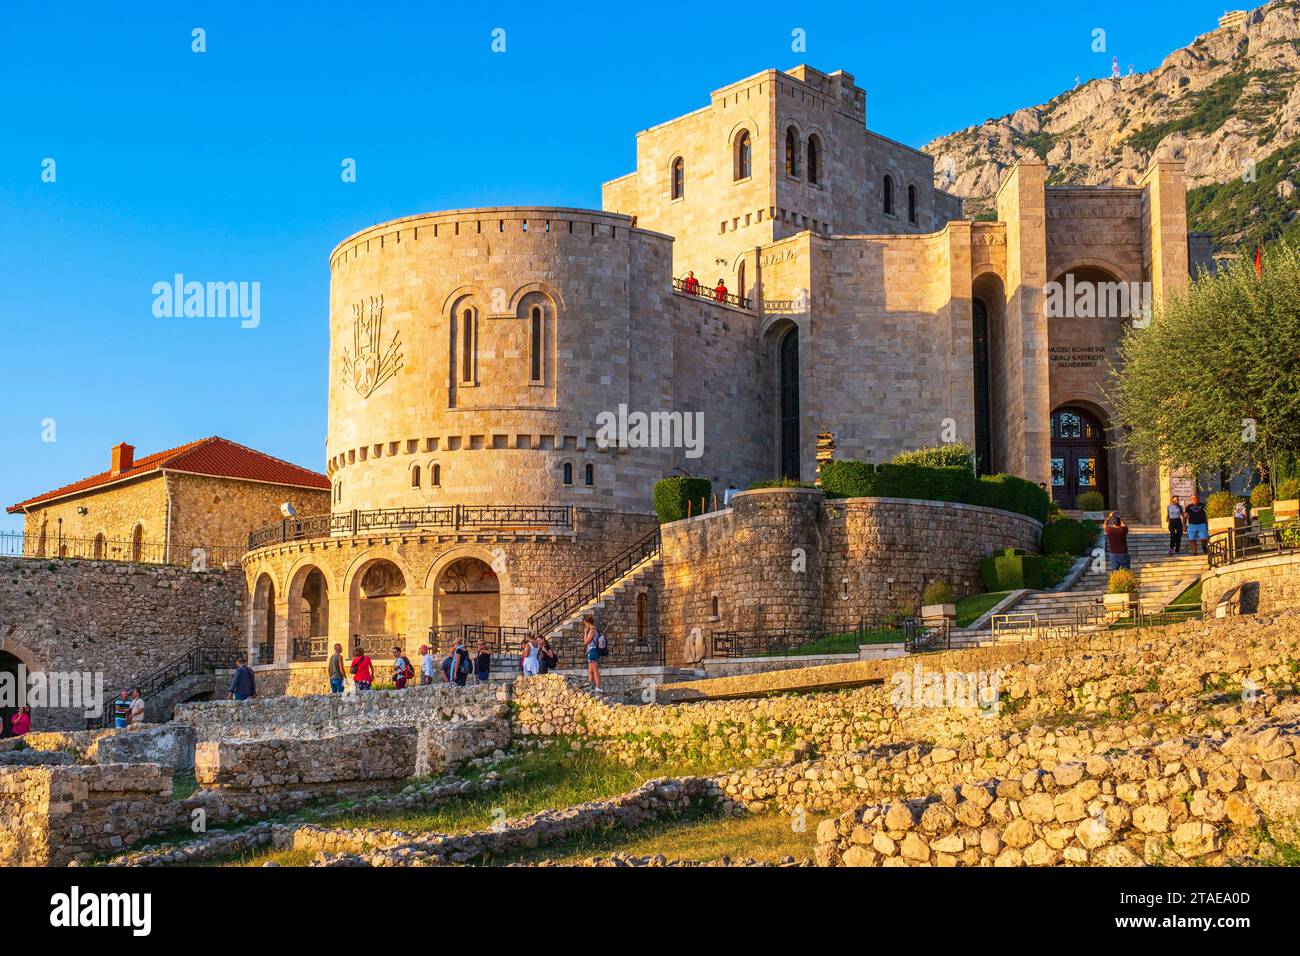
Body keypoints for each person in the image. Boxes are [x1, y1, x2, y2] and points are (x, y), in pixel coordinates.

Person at [582, 615, 603, 694]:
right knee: (590, 671)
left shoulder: (592, 630)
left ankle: (599, 687)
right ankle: (590, 685)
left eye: (585, 623)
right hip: (592, 651)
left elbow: (585, 642)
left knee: (594, 670)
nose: (585, 625)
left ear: (587, 622)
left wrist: (585, 632)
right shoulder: (595, 630)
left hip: (593, 651)